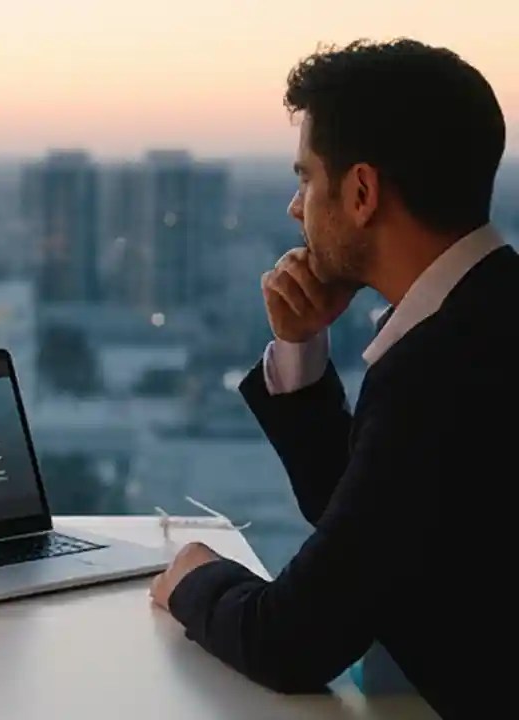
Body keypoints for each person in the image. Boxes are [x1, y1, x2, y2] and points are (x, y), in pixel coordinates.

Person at [147, 38, 510, 718]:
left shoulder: (444, 368)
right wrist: (301, 345)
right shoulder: (479, 320)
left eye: (307, 177)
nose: (296, 206)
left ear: (362, 192)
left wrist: (193, 578)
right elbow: (368, 532)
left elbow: (291, 640)